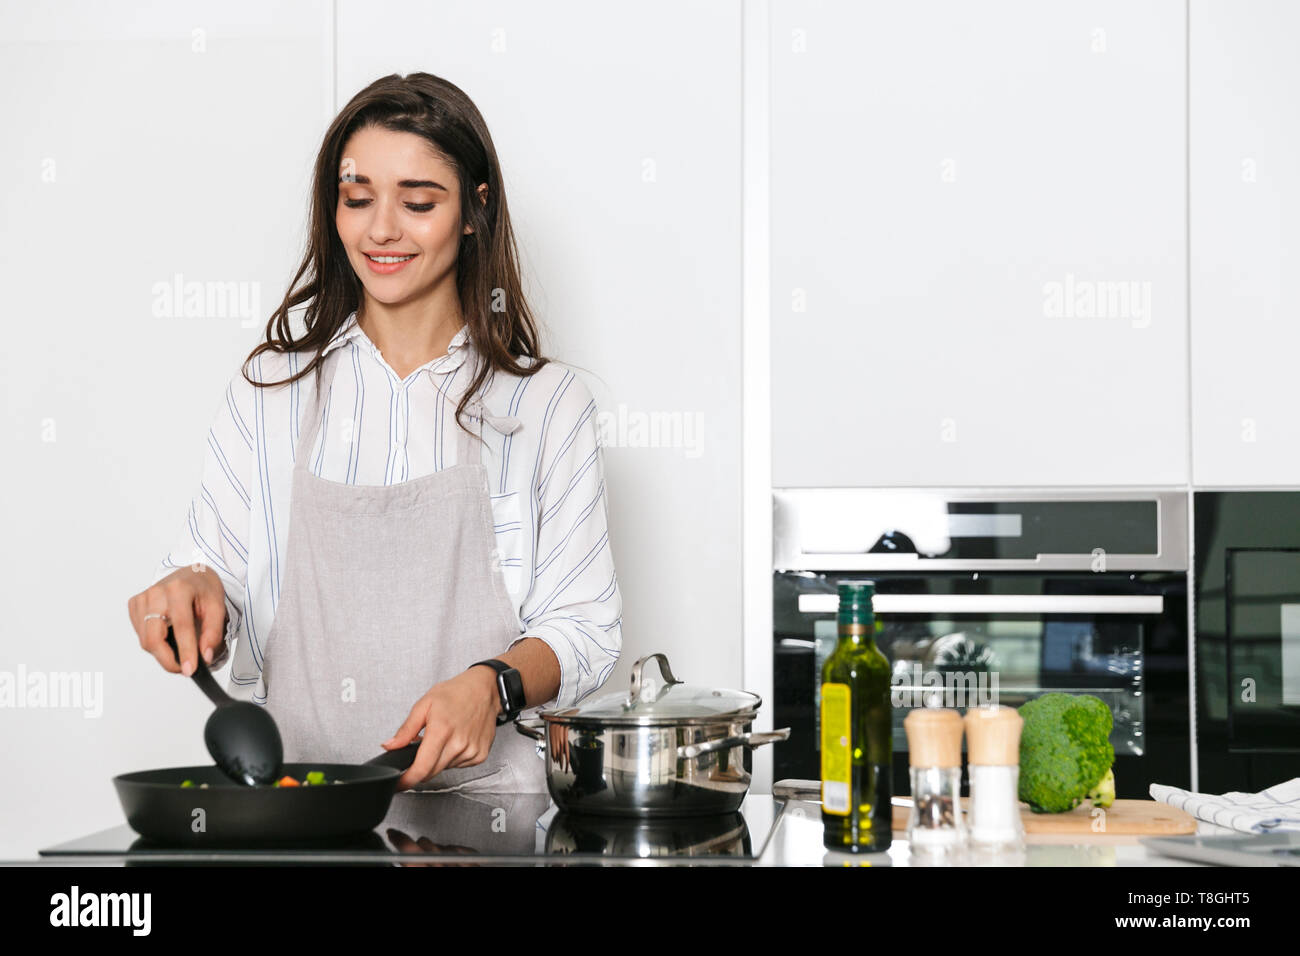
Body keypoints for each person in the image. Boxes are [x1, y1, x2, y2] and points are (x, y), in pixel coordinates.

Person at [124, 73, 622, 793]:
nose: (382, 229)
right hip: (298, 817)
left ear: (475, 211)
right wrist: (190, 591)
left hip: (490, 825)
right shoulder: (269, 393)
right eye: (357, 200)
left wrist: (493, 685)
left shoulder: (545, 404)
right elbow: (218, 576)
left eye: (418, 202)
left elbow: (584, 626)